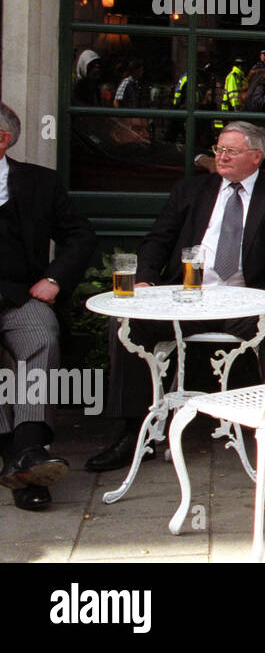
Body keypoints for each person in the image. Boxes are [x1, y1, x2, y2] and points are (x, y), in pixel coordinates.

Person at [86, 121, 265, 476]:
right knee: (126, 324)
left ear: (256, 156)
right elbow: (158, 239)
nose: (220, 156)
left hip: (244, 300)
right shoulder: (191, 190)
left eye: (231, 151)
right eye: (218, 149)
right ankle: (132, 433)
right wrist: (143, 281)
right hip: (187, 298)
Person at [0, 103, 96, 510]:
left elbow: (80, 236)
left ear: (2, 140)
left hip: (21, 295)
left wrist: (54, 279)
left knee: (42, 338)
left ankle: (27, 448)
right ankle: (23, 459)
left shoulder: (40, 182)